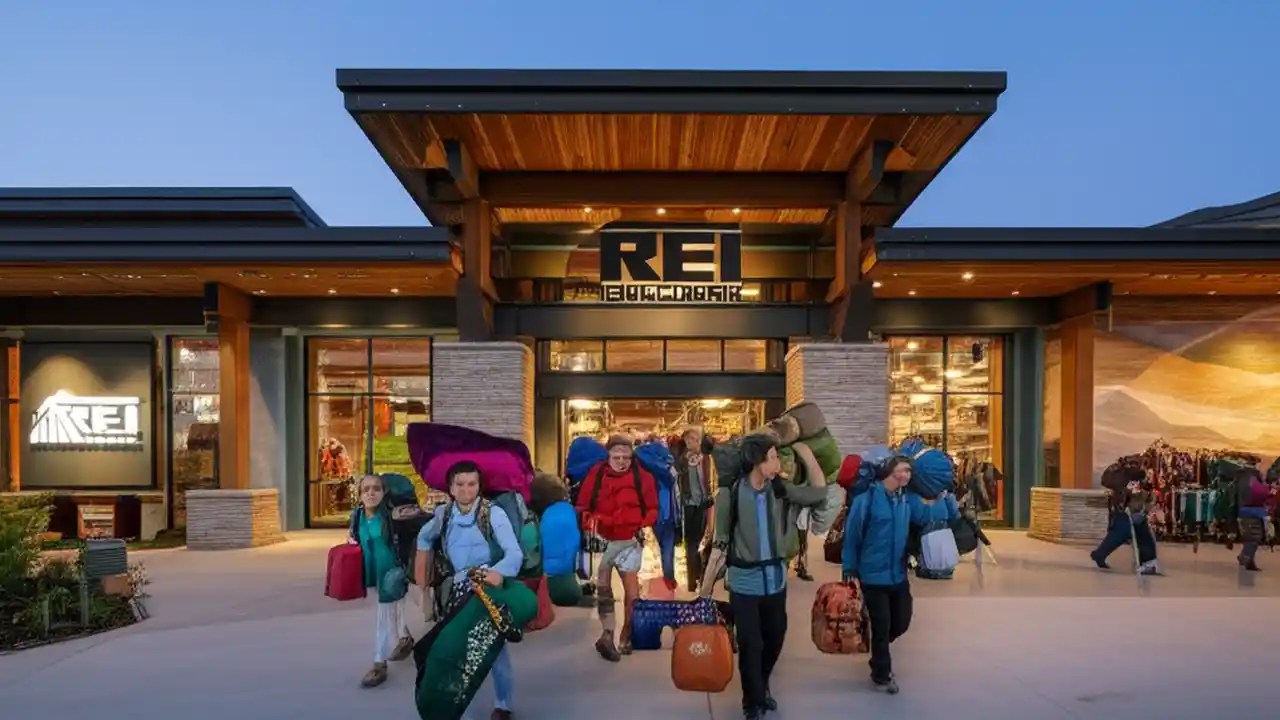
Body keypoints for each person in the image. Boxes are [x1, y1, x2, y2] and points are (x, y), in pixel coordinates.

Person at [700, 433, 828, 719]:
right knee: (750, 643)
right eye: (772, 457)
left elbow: (819, 493)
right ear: (757, 461)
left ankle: (762, 683)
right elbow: (720, 541)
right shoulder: (730, 494)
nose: (777, 462)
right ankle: (752, 701)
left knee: (775, 636)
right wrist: (705, 588)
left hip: (776, 580)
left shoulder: (779, 489)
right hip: (744, 581)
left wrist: (805, 452)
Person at [415, 461, 525, 720]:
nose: (466, 490)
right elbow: (424, 537)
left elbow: (514, 553)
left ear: (479, 486)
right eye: (460, 484)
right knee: (454, 649)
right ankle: (455, 706)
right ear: (451, 488)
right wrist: (423, 581)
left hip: (486, 590)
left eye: (472, 484)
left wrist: (499, 572)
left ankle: (503, 705)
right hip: (456, 591)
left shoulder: (493, 514)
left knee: (494, 650)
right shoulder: (443, 514)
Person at [841, 456, 959, 695]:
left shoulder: (907, 500)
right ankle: (882, 674)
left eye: (908, 472)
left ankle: (877, 649)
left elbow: (927, 515)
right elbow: (852, 537)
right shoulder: (867, 500)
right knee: (883, 624)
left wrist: (946, 501)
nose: (906, 475)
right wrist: (849, 568)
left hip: (898, 574)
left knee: (902, 621)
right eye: (902, 470)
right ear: (888, 471)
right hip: (872, 575)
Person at [574, 435, 659, 662]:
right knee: (604, 590)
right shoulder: (597, 475)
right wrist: (590, 520)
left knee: (632, 592)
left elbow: (652, 508)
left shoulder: (643, 478)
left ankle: (626, 635)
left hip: (630, 540)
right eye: (616, 457)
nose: (621, 461)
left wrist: (641, 525)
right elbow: (583, 505)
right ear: (608, 455)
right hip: (603, 539)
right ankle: (608, 635)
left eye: (626, 457)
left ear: (632, 456)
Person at [347, 474, 414, 688]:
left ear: (384, 493)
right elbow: (356, 538)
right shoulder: (357, 516)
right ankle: (405, 637)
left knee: (384, 616)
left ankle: (379, 662)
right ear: (359, 495)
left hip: (394, 572)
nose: (371, 493)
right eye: (366, 489)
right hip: (375, 572)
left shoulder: (392, 516)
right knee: (396, 609)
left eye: (376, 488)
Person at [1091, 465, 1160, 575]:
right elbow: (1134, 496)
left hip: (1125, 511)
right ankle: (1148, 562)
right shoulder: (1133, 483)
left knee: (1121, 534)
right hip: (1126, 512)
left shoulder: (1127, 480)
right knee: (1122, 534)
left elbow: (1135, 496)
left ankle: (1100, 554)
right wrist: (1141, 511)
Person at [674, 427, 715, 592]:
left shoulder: (707, 460)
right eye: (688, 440)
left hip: (704, 504)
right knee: (692, 543)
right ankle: (694, 579)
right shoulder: (682, 461)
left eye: (693, 439)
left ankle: (701, 577)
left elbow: (711, 481)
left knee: (703, 541)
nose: (691, 443)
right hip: (690, 505)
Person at [1236, 466, 1273, 572]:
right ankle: (1247, 559)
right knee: (1253, 538)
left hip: (1246, 513)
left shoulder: (1243, 480)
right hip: (1253, 513)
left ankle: (1245, 557)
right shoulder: (1253, 482)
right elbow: (1260, 494)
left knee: (1251, 538)